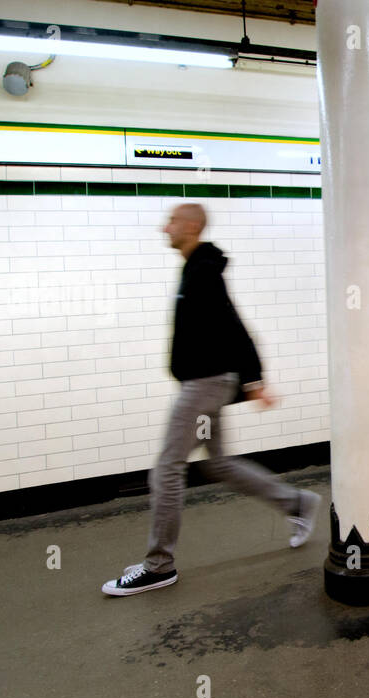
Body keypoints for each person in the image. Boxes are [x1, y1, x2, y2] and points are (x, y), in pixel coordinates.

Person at [101, 203, 320, 596]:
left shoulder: (203, 270)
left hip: (204, 384)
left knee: (167, 468)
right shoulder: (196, 267)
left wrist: (255, 380)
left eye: (169, 221)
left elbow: (234, 326)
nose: (162, 227)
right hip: (207, 382)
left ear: (190, 226)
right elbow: (230, 324)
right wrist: (252, 380)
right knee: (218, 464)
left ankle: (158, 566)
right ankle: (297, 503)